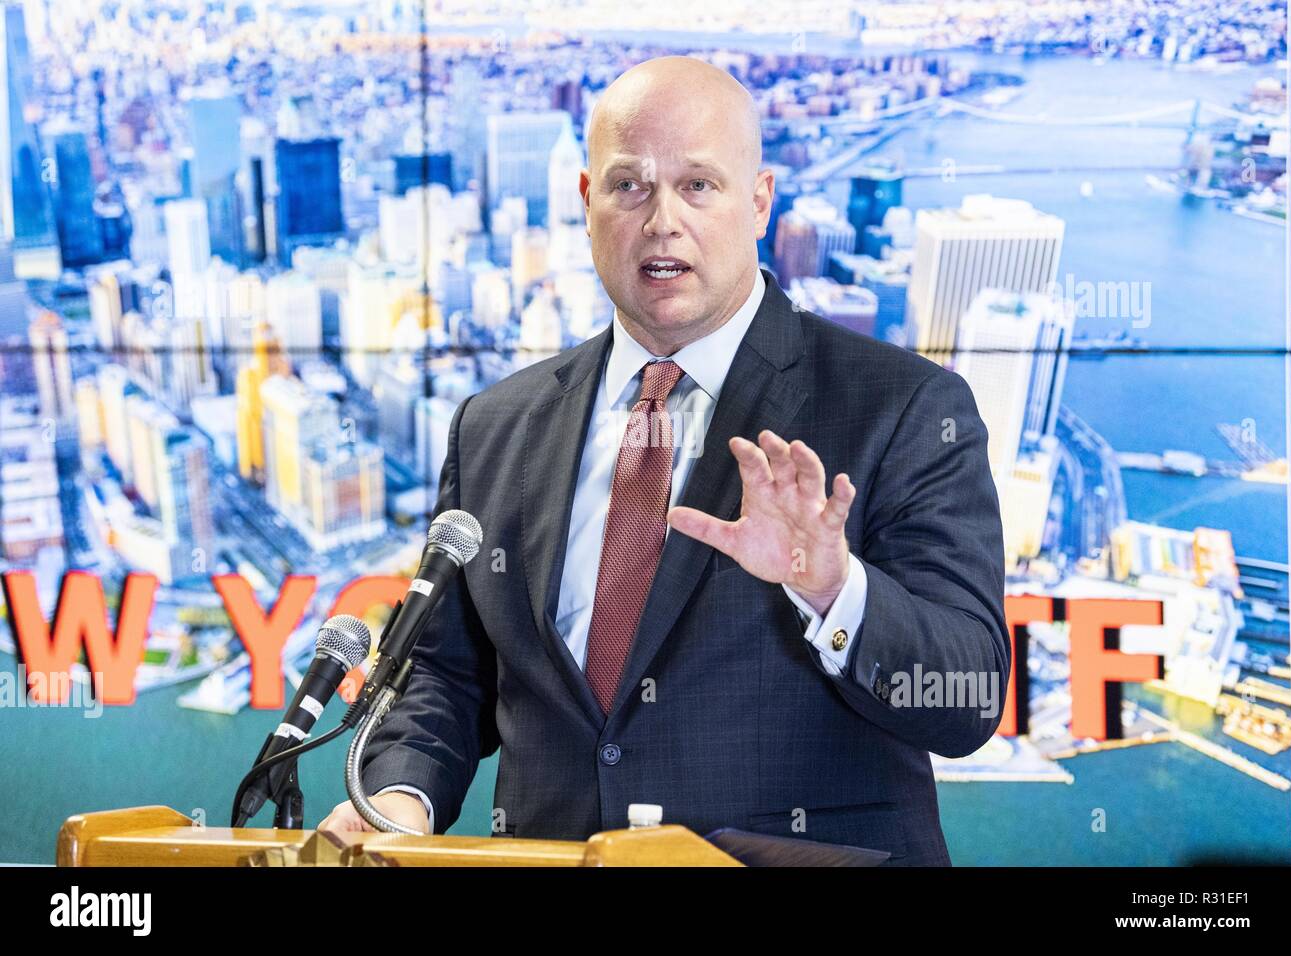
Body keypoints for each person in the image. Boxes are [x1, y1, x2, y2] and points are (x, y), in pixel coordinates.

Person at [320, 55, 1010, 865]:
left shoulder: (902, 407)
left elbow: (969, 699)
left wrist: (831, 586)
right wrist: (397, 798)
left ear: (758, 204)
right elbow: (446, 674)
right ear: (586, 204)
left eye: (698, 186)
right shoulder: (493, 426)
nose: (661, 221)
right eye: (629, 187)